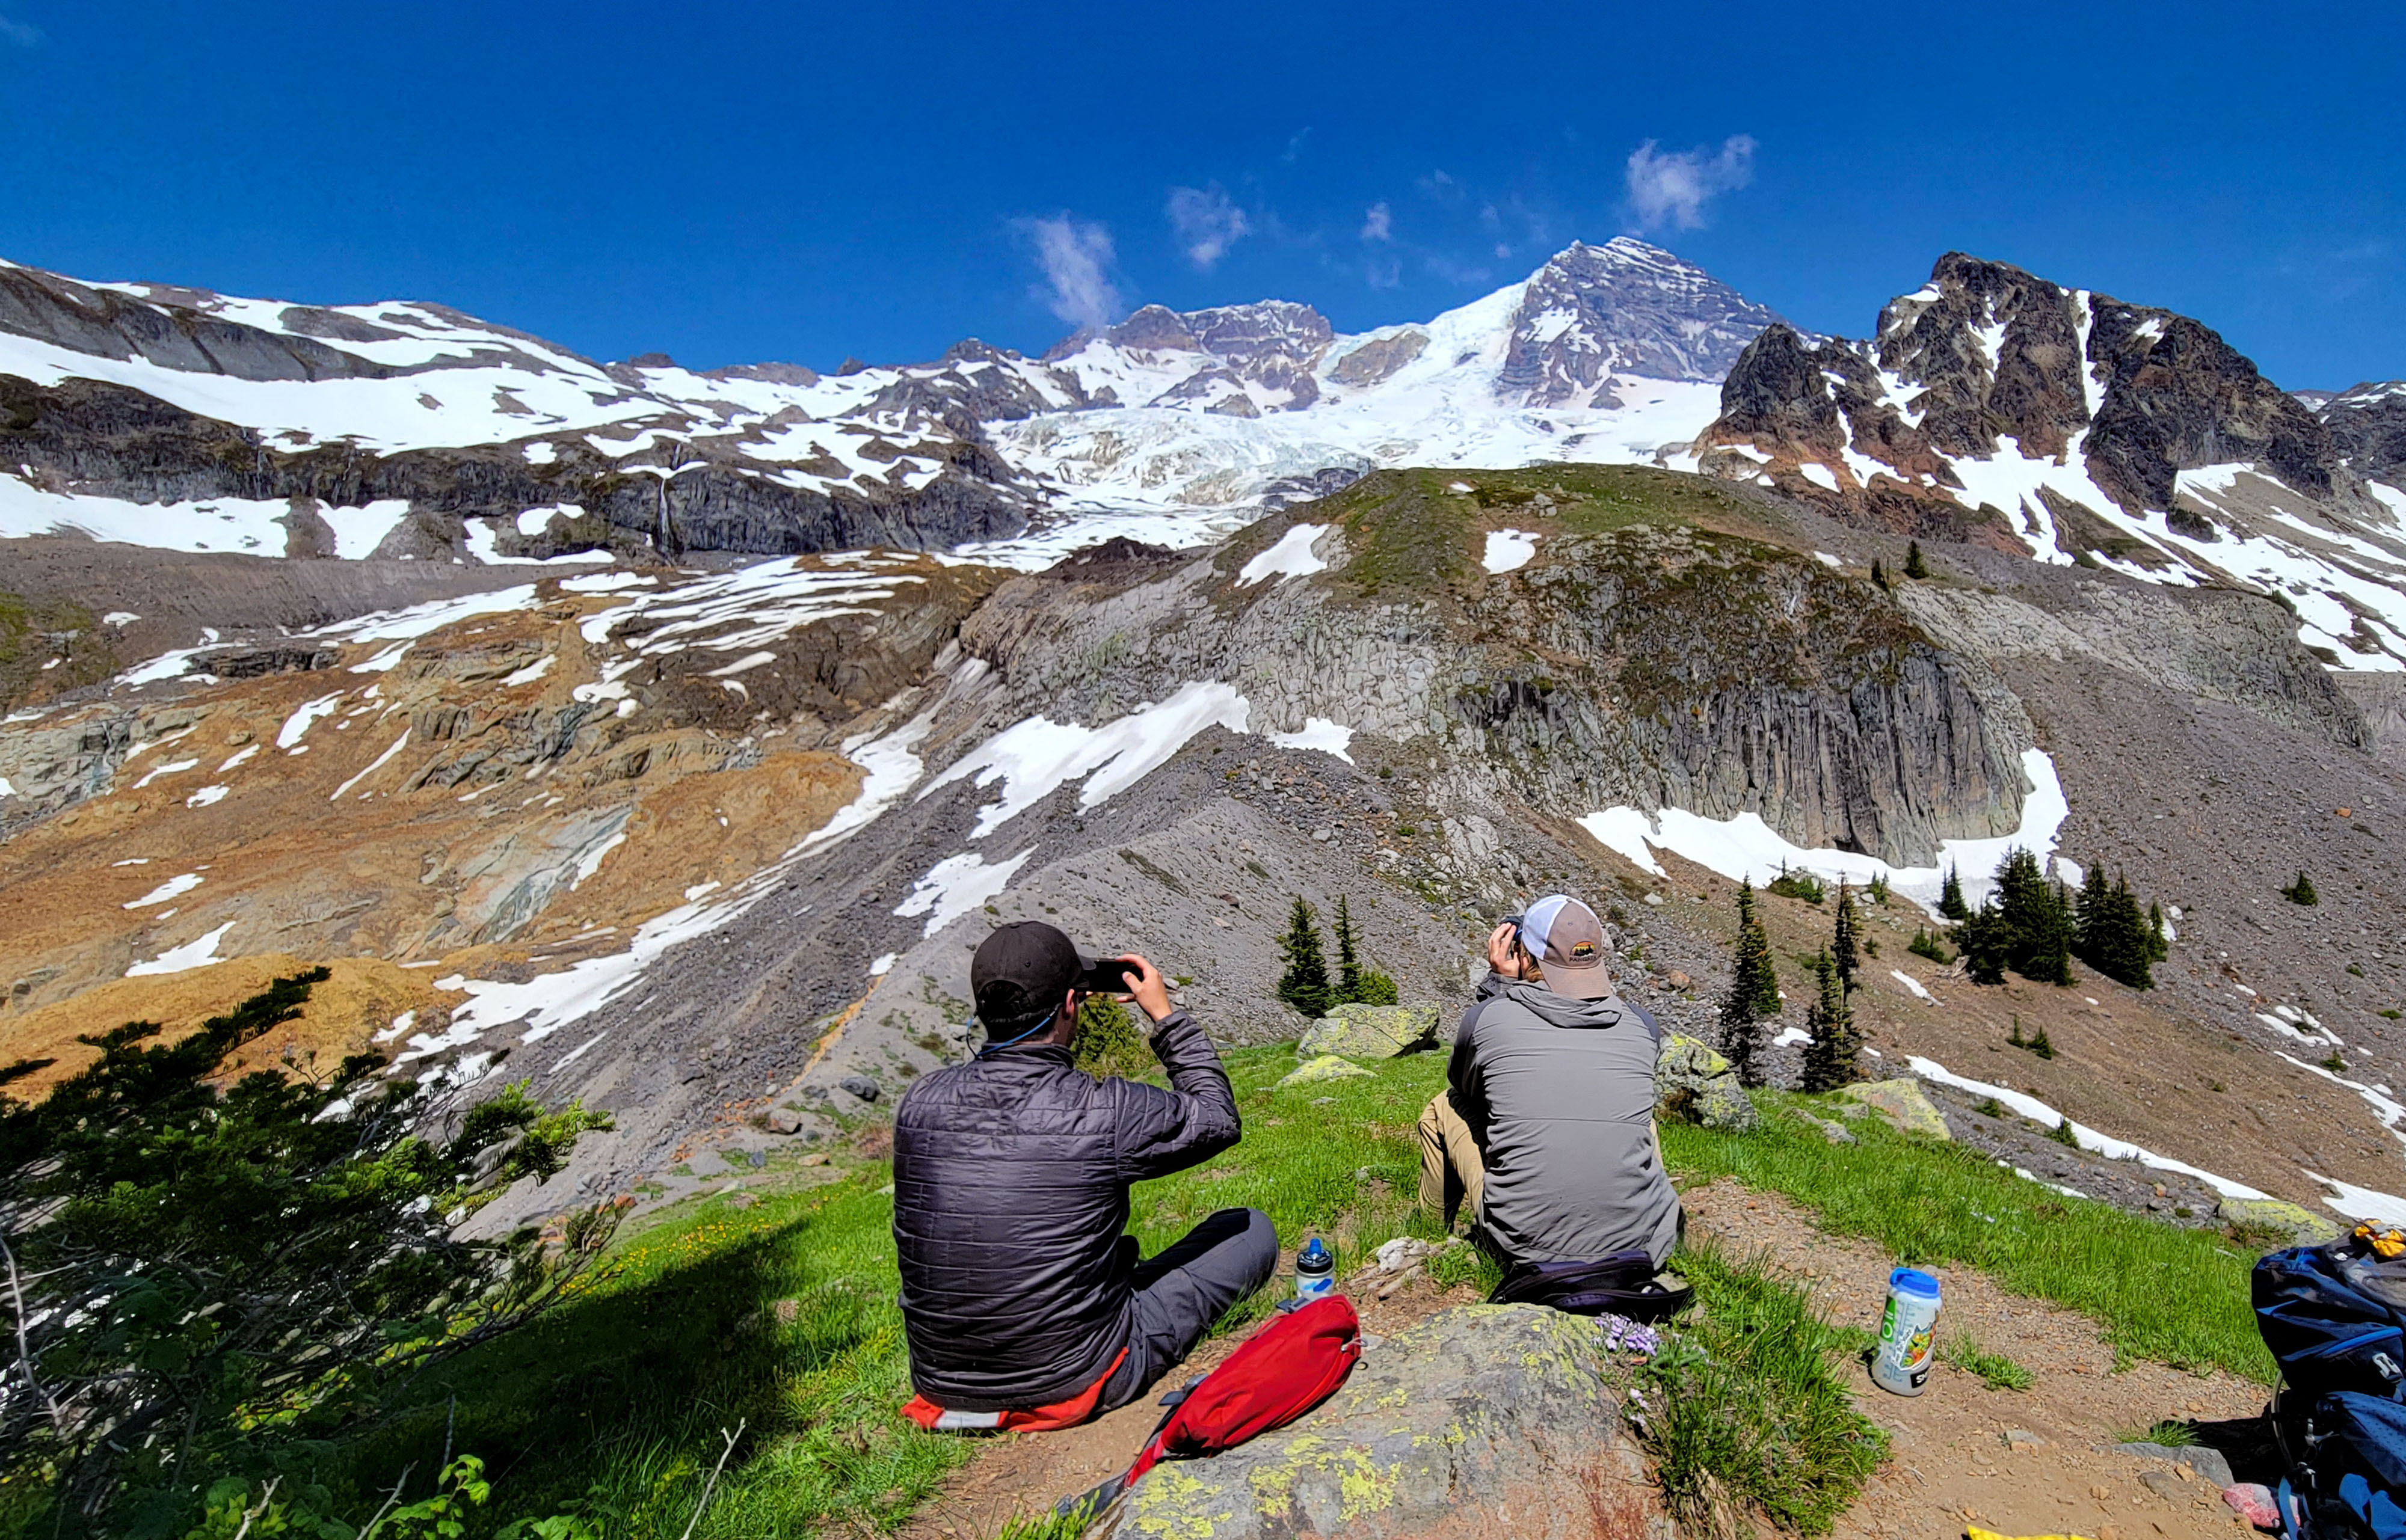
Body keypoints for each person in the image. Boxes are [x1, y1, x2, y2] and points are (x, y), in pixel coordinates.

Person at [891, 921, 1278, 1430]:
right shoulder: (1103, 1109)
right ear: (1072, 1004)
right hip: (1077, 1374)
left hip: (942, 1384)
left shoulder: (919, 1102)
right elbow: (1217, 1117)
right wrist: (1163, 1014)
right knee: (1250, 1229)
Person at [1416, 894, 1682, 1268]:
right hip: (1640, 1252)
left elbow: (1470, 1090)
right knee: (1643, 1120)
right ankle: (1633, 1215)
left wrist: (1501, 986)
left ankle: (1427, 1238)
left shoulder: (1487, 1018)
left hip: (1523, 1250)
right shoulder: (1642, 1026)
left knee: (1445, 1106)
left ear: (1525, 956)